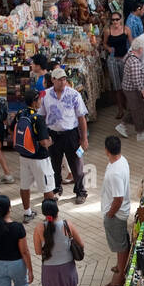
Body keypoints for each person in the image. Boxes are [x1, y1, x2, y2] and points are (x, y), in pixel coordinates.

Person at [33, 198, 83, 286]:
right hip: (67, 267)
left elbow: (37, 251)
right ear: (57, 211)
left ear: (44, 213)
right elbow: (81, 243)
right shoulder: (67, 225)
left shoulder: (39, 228)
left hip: (49, 268)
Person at [39, 66, 89, 203]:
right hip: (53, 135)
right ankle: (55, 189)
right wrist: (43, 136)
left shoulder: (74, 95)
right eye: (59, 80)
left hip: (71, 134)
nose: (63, 82)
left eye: (64, 79)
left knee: (77, 164)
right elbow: (41, 117)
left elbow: (81, 118)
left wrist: (84, 138)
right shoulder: (45, 95)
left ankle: (80, 191)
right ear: (53, 80)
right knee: (54, 165)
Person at [13, 87, 55, 219]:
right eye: (40, 98)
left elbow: (11, 130)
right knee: (47, 188)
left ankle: (27, 213)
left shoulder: (20, 113)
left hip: (24, 156)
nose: (42, 100)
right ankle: (51, 217)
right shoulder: (38, 118)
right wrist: (51, 141)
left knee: (24, 185)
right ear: (35, 101)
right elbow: (44, 142)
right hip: (40, 159)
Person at [101, 135, 131, 286]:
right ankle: (120, 265)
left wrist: (110, 214)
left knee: (120, 246)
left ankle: (119, 278)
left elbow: (118, 199)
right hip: (120, 211)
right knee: (121, 242)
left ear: (106, 150)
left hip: (116, 214)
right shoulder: (122, 160)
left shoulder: (115, 173)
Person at [102, 9, 132, 119]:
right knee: (117, 86)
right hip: (113, 60)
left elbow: (131, 43)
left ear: (121, 20)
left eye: (117, 20)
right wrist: (108, 48)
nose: (115, 22)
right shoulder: (108, 31)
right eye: (113, 20)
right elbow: (104, 43)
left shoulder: (126, 30)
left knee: (126, 85)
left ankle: (127, 106)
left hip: (124, 59)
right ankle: (120, 109)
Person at [119, 37, 144, 141]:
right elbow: (136, 79)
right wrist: (143, 92)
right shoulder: (135, 62)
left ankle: (122, 125)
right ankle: (140, 133)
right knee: (137, 110)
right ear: (140, 49)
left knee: (132, 108)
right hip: (132, 89)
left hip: (127, 87)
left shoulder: (129, 56)